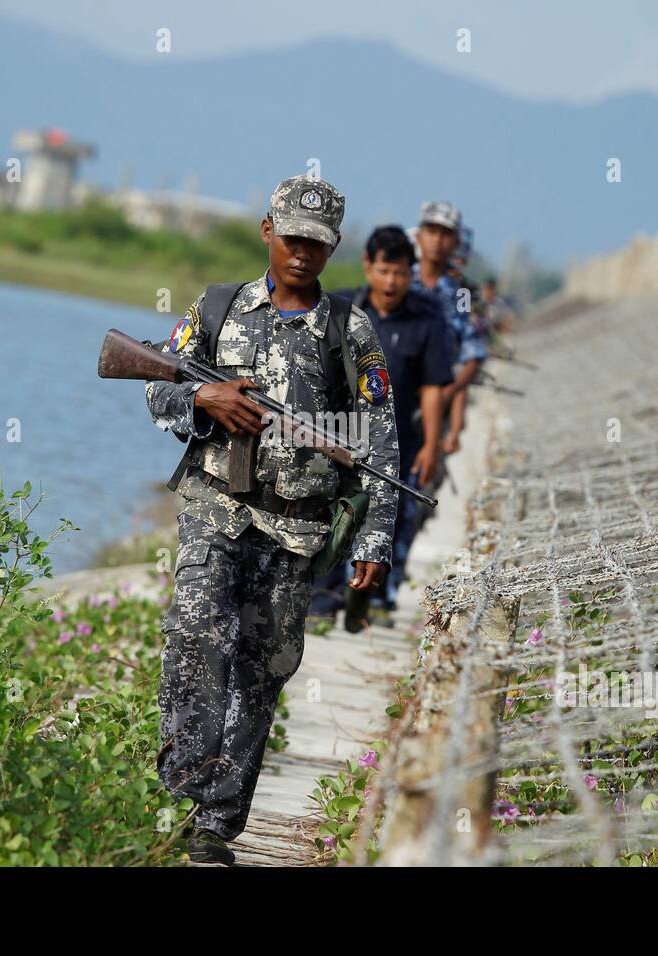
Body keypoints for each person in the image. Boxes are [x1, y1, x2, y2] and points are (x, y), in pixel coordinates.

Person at [143, 175, 400, 865]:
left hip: (296, 532)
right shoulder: (218, 307)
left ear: (333, 247)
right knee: (196, 636)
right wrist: (207, 400)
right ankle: (180, 793)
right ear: (267, 231)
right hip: (214, 511)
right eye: (292, 238)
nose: (302, 254)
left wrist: (373, 541)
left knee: (263, 670)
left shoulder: (349, 331)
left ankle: (214, 828)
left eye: (317, 244)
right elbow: (155, 389)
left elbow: (378, 444)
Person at [307, 226, 454, 627]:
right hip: (340, 433)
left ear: (412, 273)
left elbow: (433, 387)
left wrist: (432, 446)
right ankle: (324, 597)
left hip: (400, 439)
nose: (392, 281)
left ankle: (371, 599)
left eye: (402, 273)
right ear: (368, 266)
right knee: (334, 512)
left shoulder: (427, 319)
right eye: (385, 270)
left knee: (390, 515)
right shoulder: (341, 311)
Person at [411, 201, 486, 457]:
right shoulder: (399, 281)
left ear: (455, 242)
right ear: (419, 236)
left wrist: (448, 395)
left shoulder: (461, 293)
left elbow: (472, 354)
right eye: (431, 231)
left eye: (445, 234)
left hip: (438, 403)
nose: (437, 240)